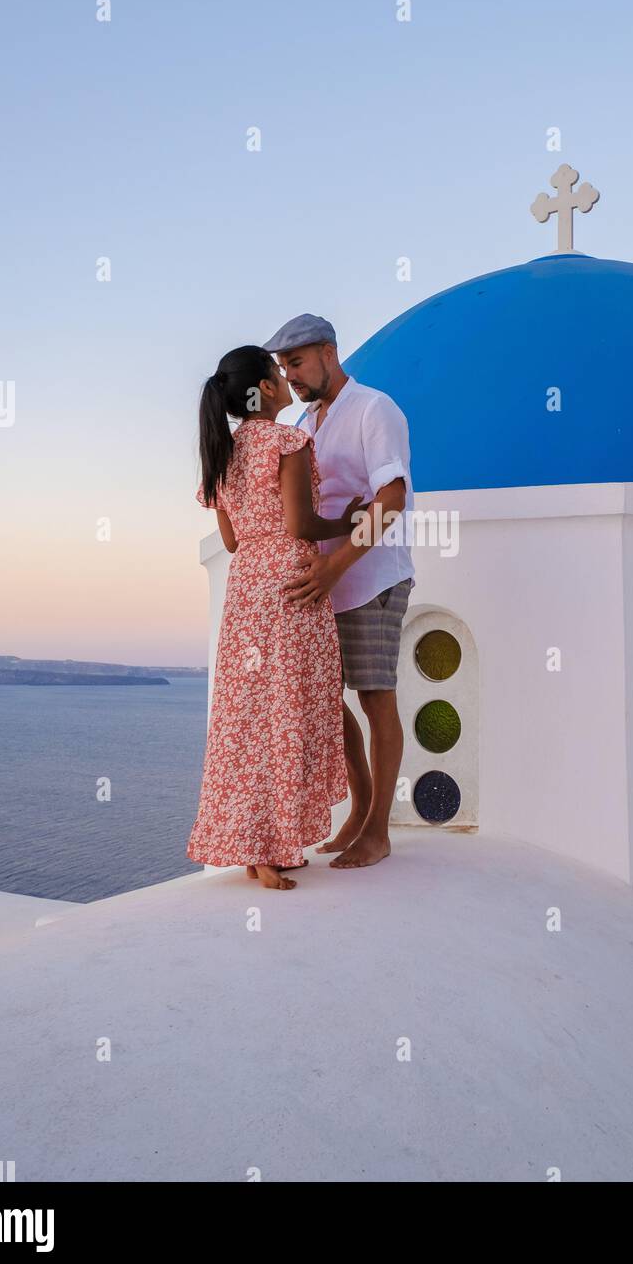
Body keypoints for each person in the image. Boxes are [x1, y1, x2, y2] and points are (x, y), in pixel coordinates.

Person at [186, 345, 363, 890]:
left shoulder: (222, 454)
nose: (287, 379)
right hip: (290, 586)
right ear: (264, 388)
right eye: (278, 373)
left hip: (246, 593)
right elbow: (302, 522)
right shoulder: (287, 441)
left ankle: (254, 848)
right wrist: (351, 520)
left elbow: (234, 539)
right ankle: (275, 845)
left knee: (248, 720)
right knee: (289, 713)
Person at [263, 313, 415, 869]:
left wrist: (336, 567)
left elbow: (391, 498)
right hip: (320, 582)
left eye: (297, 363)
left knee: (375, 699)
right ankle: (358, 809)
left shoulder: (374, 409)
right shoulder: (305, 420)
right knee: (327, 701)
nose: (291, 375)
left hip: (370, 577)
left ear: (329, 351)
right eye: (283, 368)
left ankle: (378, 829)